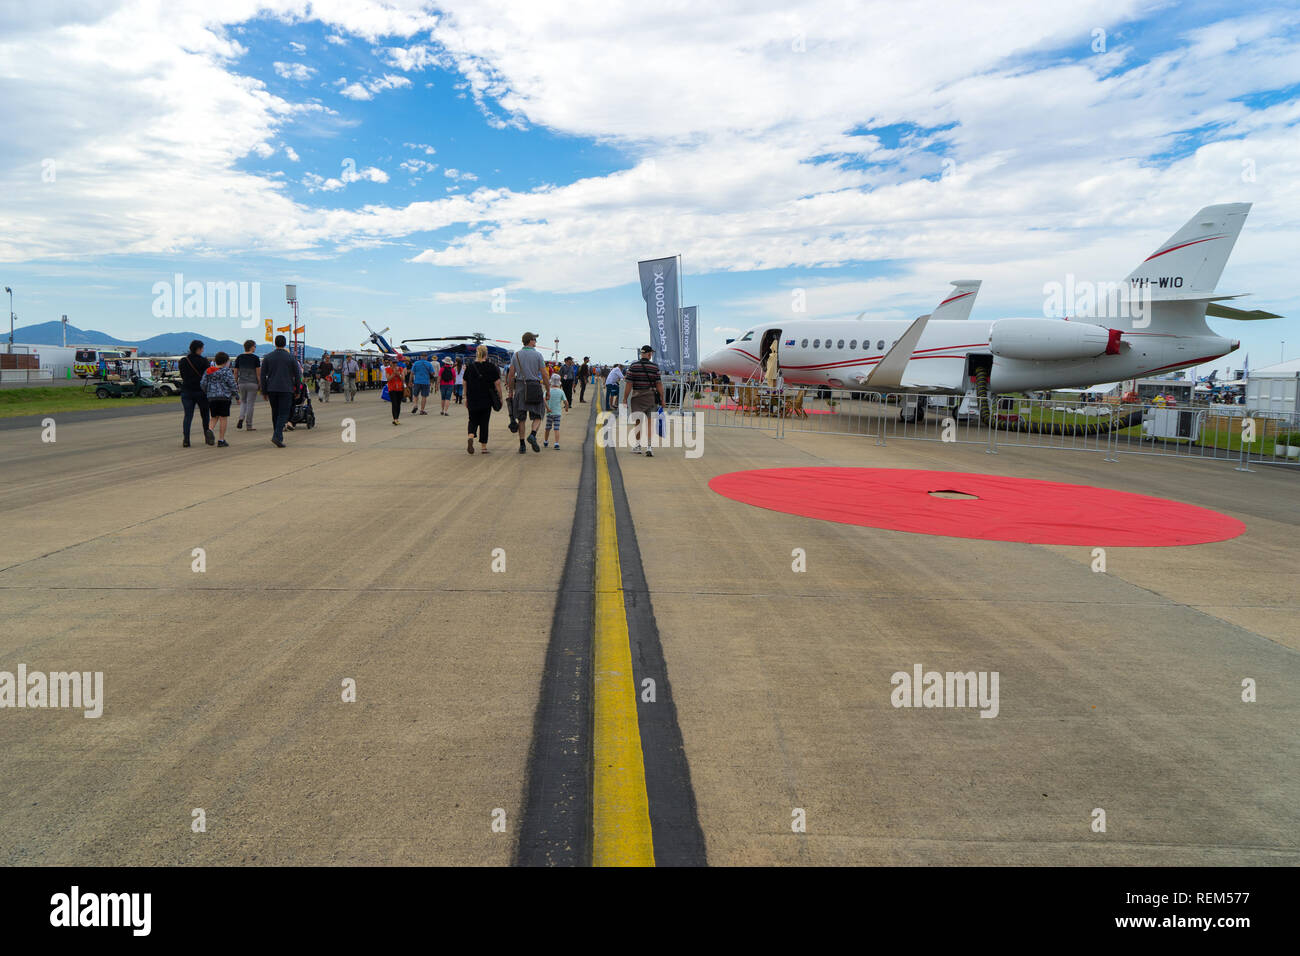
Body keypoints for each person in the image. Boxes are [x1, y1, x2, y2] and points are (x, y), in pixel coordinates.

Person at [506, 331, 548, 453]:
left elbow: (511, 375)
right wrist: (548, 389)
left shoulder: (516, 355)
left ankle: (522, 445)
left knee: (521, 418)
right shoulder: (538, 355)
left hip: (520, 387)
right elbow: (544, 374)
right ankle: (533, 435)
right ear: (530, 341)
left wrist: (510, 391)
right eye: (535, 340)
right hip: (534, 386)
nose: (536, 342)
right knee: (539, 414)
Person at [260, 335, 302, 448]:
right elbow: (297, 375)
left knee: (275, 412)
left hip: (272, 388)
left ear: (275, 343)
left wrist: (263, 391)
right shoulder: (291, 357)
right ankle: (277, 435)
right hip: (286, 389)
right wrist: (298, 389)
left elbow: (262, 375)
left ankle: (278, 437)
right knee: (284, 413)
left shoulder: (268, 357)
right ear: (285, 344)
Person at [622, 346, 664, 457]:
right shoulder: (654, 367)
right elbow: (659, 384)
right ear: (649, 354)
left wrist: (625, 398)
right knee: (650, 423)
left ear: (642, 354)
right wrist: (663, 398)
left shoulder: (633, 366)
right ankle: (649, 447)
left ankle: (638, 445)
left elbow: (629, 384)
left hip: (637, 397)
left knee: (638, 423)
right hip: (651, 397)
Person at [463, 343, 504, 454]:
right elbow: (498, 383)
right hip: (486, 399)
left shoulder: (470, 367)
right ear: (486, 354)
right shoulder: (491, 367)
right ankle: (483, 447)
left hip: (472, 398)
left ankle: (471, 436)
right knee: (484, 422)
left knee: (472, 419)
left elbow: (464, 382)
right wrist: (500, 397)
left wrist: (465, 396)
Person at [178, 339, 215, 447]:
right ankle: (207, 437)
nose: (203, 350)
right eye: (202, 348)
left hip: (187, 391)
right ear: (198, 349)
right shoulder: (204, 361)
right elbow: (208, 376)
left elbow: (183, 376)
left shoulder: (183, 361)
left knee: (188, 416)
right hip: (201, 391)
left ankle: (186, 439)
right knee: (205, 416)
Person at [202, 351, 238, 447]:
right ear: (226, 362)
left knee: (214, 417)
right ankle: (221, 440)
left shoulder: (208, 371)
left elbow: (203, 383)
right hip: (224, 397)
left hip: (212, 397)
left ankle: (209, 430)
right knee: (223, 418)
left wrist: (207, 392)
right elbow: (232, 384)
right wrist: (237, 396)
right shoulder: (226, 371)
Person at [234, 339, 261, 431]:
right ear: (251, 347)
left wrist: (236, 382)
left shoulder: (239, 357)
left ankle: (241, 417)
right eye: (255, 346)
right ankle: (249, 425)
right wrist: (260, 384)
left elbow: (236, 372)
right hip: (252, 383)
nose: (255, 348)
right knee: (250, 404)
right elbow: (258, 374)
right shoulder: (255, 358)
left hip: (242, 383)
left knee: (243, 402)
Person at [543, 372, 569, 449]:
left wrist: (547, 408)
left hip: (549, 413)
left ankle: (546, 441)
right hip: (557, 413)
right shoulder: (561, 391)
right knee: (556, 428)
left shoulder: (547, 391)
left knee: (547, 428)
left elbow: (543, 399)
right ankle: (556, 443)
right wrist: (566, 408)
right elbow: (566, 402)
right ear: (559, 383)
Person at [385, 356, 406, 424]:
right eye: (393, 362)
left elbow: (403, 379)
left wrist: (398, 374)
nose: (394, 364)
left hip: (400, 388)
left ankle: (397, 418)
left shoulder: (400, 368)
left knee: (398, 404)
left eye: (395, 362)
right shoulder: (388, 369)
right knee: (394, 404)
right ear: (390, 362)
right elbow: (388, 379)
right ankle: (395, 419)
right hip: (392, 388)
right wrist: (394, 374)